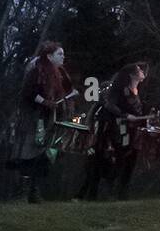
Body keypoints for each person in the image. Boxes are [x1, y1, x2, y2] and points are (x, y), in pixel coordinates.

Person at [9, 41, 75, 203]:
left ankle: (34, 191)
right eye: (59, 54)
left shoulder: (60, 74)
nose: (63, 57)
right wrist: (45, 102)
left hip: (49, 120)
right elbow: (28, 93)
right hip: (33, 119)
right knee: (28, 154)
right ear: (49, 56)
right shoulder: (38, 71)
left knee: (44, 155)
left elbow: (66, 91)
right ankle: (22, 194)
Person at [80, 63, 150, 201]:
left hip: (130, 131)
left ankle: (121, 193)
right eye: (139, 70)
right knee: (106, 160)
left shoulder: (135, 90)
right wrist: (124, 115)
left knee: (128, 162)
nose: (143, 72)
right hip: (114, 130)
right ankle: (95, 194)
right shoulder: (120, 89)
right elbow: (110, 105)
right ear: (131, 74)